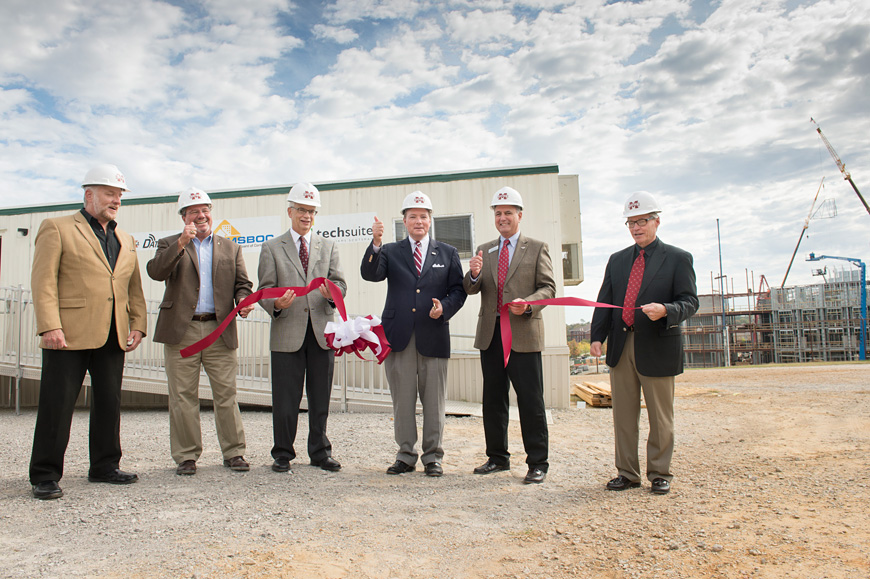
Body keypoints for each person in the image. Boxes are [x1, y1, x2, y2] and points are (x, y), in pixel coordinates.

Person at [29, 164, 147, 500]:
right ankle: (45, 473)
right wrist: (50, 324)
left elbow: (131, 286)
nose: (117, 200)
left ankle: (105, 466)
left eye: (120, 195)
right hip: (67, 333)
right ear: (89, 194)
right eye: (111, 193)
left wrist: (138, 323)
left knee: (109, 401)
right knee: (58, 402)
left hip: (113, 332)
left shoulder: (125, 239)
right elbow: (43, 281)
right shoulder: (57, 228)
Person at [590, 191, 698, 495]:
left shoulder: (678, 259)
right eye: (631, 223)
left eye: (642, 221)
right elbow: (605, 301)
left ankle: (660, 472)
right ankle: (627, 473)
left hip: (658, 345)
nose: (637, 227)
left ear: (657, 221)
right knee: (623, 415)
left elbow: (690, 301)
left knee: (660, 416)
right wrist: (597, 336)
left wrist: (667, 310)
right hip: (622, 347)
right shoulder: (618, 260)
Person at [146, 187, 255, 476]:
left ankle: (234, 452)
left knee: (226, 393)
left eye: (205, 209)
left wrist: (243, 300)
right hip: (182, 331)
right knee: (183, 395)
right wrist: (181, 243)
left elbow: (243, 283)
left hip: (220, 330)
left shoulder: (231, 248)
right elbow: (156, 271)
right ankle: (186, 456)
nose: (201, 215)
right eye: (194, 211)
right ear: (184, 216)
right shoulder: (169, 243)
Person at [360, 191, 466, 477]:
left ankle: (433, 457)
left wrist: (443, 307)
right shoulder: (391, 251)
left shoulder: (448, 253)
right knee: (403, 401)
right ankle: (406, 455)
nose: (418, 221)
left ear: (430, 220)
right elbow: (370, 274)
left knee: (434, 402)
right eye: (412, 217)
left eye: (423, 216)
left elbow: (459, 291)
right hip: (399, 337)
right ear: (404, 221)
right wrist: (376, 243)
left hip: (434, 335)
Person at [464, 186, 555, 484]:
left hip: (523, 337)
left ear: (519, 215)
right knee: (493, 399)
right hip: (491, 337)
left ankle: (538, 462)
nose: (503, 218)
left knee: (530, 400)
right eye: (498, 213)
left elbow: (548, 289)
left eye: (508, 213)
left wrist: (529, 304)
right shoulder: (485, 249)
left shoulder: (537, 247)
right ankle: (497, 457)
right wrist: (474, 274)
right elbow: (472, 288)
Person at [258, 182, 347, 474]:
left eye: (311, 211)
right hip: (287, 333)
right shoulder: (272, 247)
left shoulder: (329, 246)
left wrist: (331, 293)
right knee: (285, 399)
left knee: (320, 397)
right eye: (301, 210)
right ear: (290, 211)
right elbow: (265, 290)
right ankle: (282, 453)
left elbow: (341, 284)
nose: (306, 216)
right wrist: (278, 306)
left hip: (321, 334)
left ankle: (320, 452)